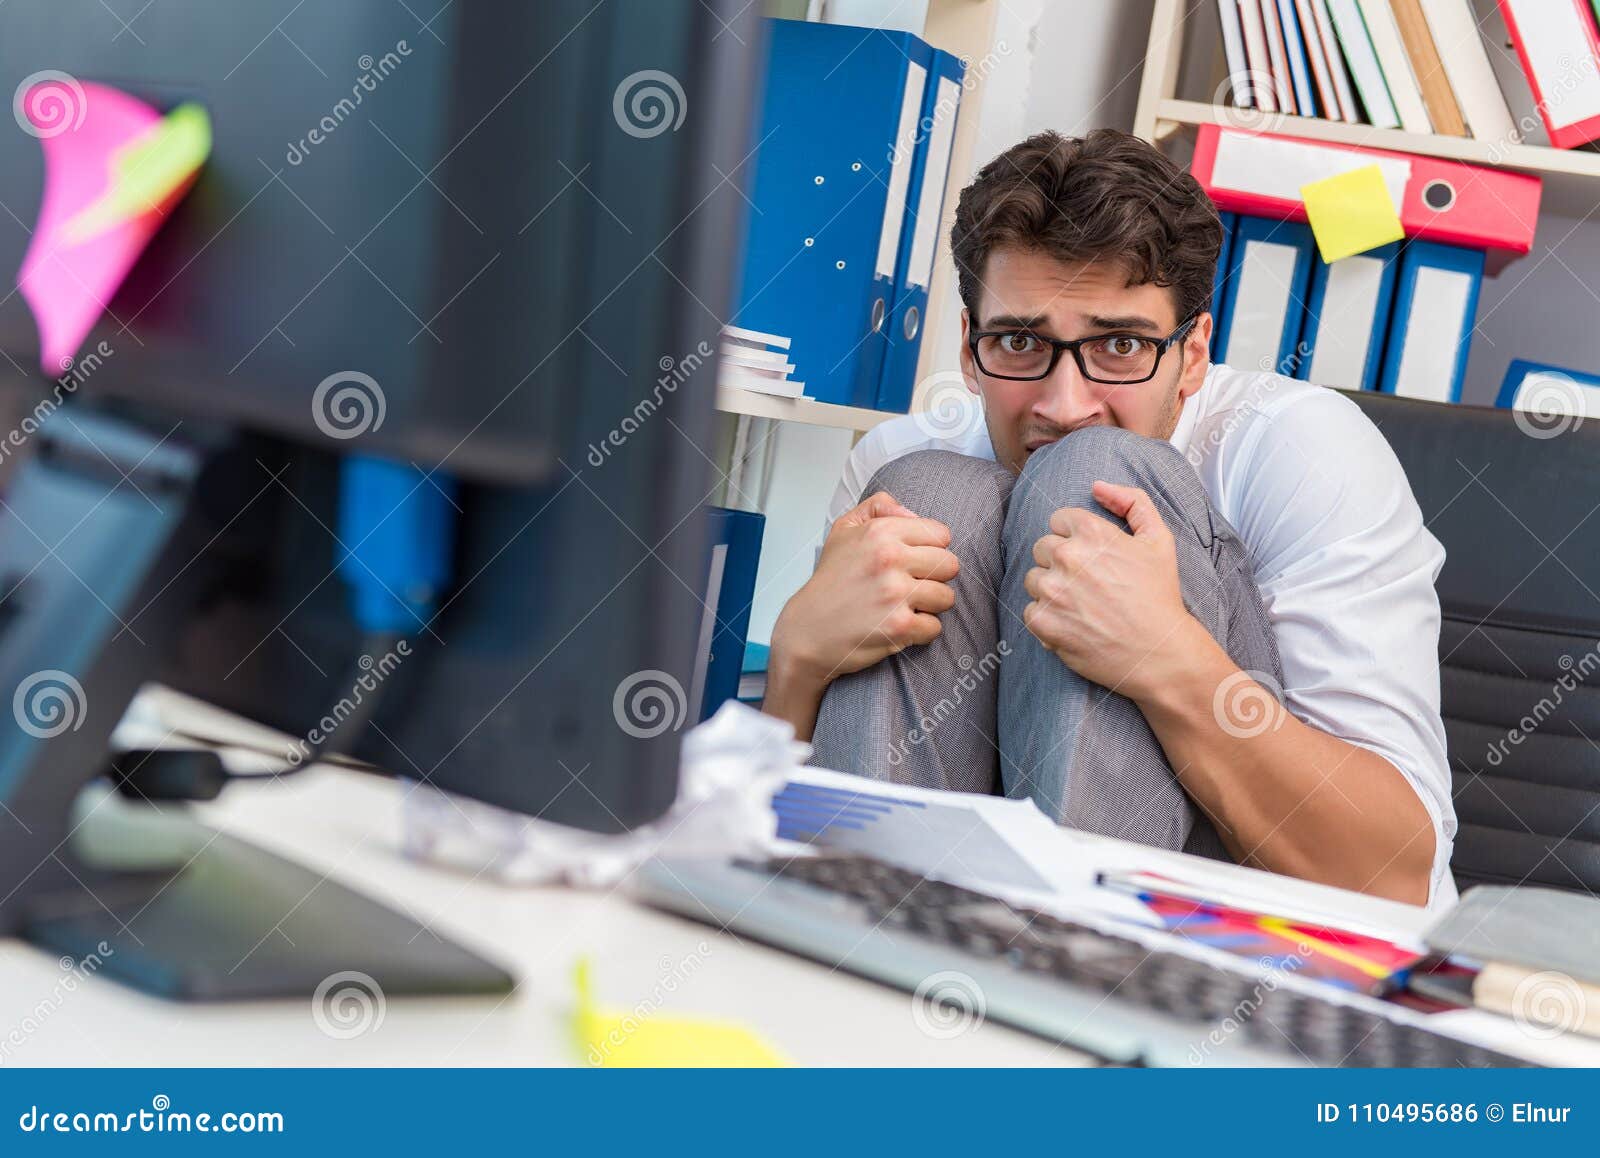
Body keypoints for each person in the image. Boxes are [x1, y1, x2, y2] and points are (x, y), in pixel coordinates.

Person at [761, 129, 1454, 908]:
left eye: (1120, 344)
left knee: (1092, 476)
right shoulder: (897, 465)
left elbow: (1396, 878)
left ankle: (1067, 965)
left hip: (1245, 933)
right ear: (968, 345)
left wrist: (1168, 659)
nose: (1064, 405)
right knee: (928, 493)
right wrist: (798, 661)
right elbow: (760, 831)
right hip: (946, 928)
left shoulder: (1303, 448)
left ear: (1194, 352)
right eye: (1019, 340)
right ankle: (867, 942)